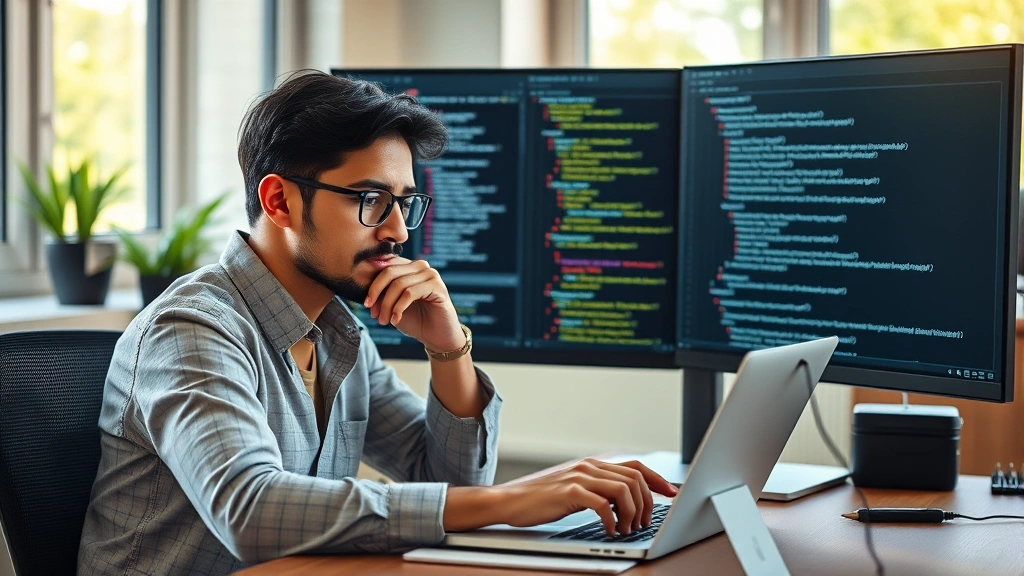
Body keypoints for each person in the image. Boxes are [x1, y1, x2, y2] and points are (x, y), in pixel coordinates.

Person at [78, 70, 678, 575]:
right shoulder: (191, 329)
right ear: (279, 201)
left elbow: (448, 479)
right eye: (370, 199)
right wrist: (505, 502)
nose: (398, 230)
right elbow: (250, 510)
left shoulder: (337, 330)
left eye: (405, 201)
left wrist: (449, 350)